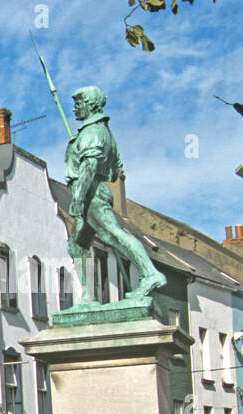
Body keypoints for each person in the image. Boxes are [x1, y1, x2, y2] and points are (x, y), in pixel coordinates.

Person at [64, 85, 166, 303]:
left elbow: (89, 166)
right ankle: (89, 295)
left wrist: (79, 198)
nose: (74, 108)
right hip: (93, 190)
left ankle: (150, 274)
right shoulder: (100, 131)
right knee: (77, 245)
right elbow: (115, 166)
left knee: (114, 234)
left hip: (91, 192)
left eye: (78, 103)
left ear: (90, 105)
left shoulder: (93, 132)